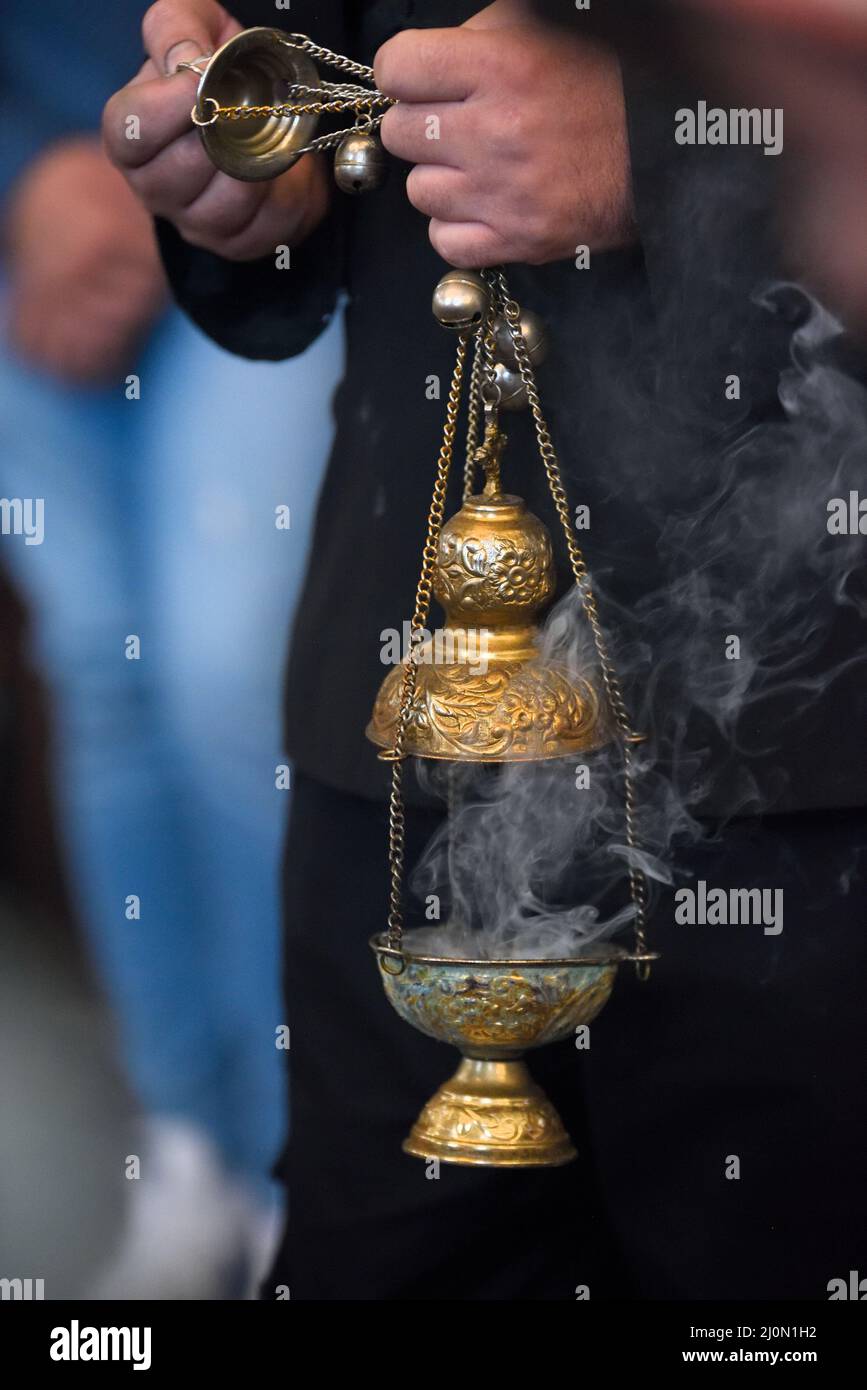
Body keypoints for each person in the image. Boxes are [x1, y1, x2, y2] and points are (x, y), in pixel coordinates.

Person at [103, 0, 866, 1299]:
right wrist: (248, 168)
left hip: (808, 756)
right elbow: (299, 96)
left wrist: (679, 148)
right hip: (402, 722)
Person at [1, 0, 342, 1287]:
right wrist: (29, 180)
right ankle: (191, 1145)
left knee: (229, 669)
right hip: (33, 217)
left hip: (283, 173)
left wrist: (191, 169)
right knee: (105, 668)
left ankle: (295, 1164)